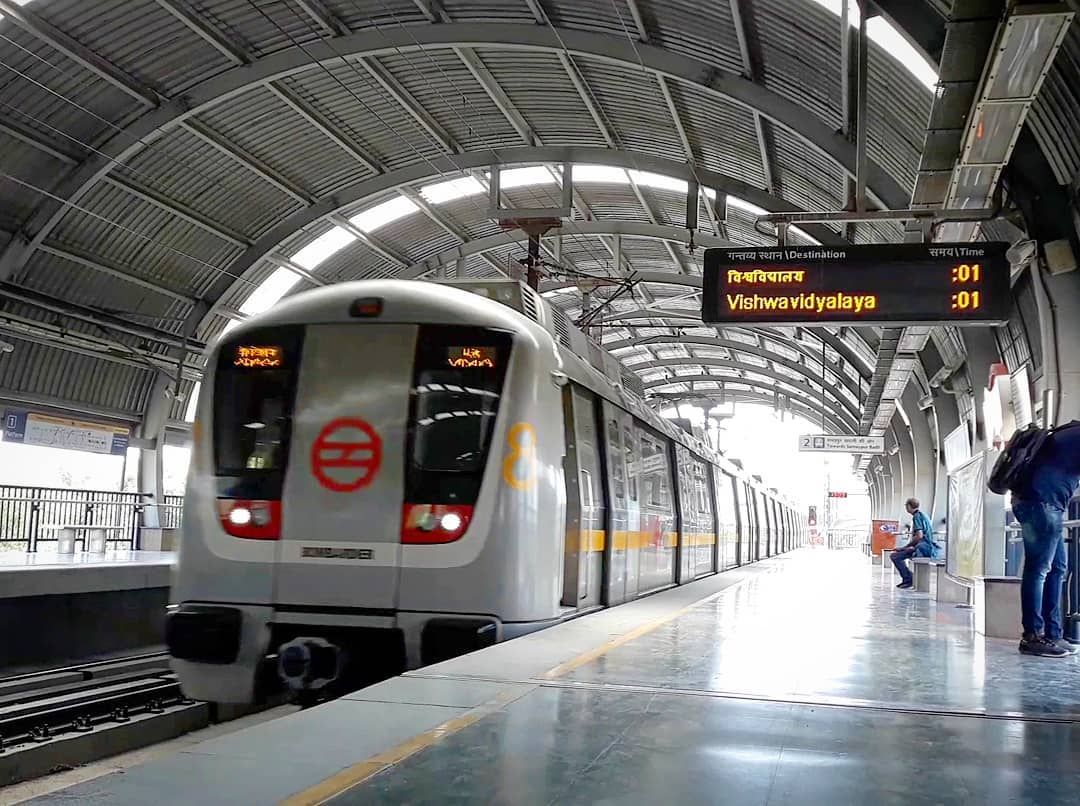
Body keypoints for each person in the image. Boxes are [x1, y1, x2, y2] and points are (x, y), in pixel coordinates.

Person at [1010, 422, 1080, 658]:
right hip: (1040, 504)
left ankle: (1053, 634)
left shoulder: (1067, 432)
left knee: (1057, 568)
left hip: (1042, 503)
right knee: (1039, 570)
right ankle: (1032, 636)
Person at [890, 498, 938, 590]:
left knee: (895, 556)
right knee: (899, 554)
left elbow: (919, 536)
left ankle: (908, 579)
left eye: (906, 506)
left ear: (909, 506)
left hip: (923, 549)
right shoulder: (923, 515)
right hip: (927, 546)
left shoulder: (916, 517)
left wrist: (905, 547)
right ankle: (908, 578)